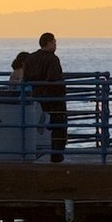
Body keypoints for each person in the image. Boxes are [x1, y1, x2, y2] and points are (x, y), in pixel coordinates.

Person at [22, 32, 68, 162]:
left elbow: (26, 78)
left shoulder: (31, 58)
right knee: (59, 125)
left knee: (49, 123)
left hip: (37, 96)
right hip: (53, 98)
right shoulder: (52, 59)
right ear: (48, 42)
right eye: (54, 42)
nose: (56, 44)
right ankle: (57, 154)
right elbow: (54, 79)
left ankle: (48, 152)